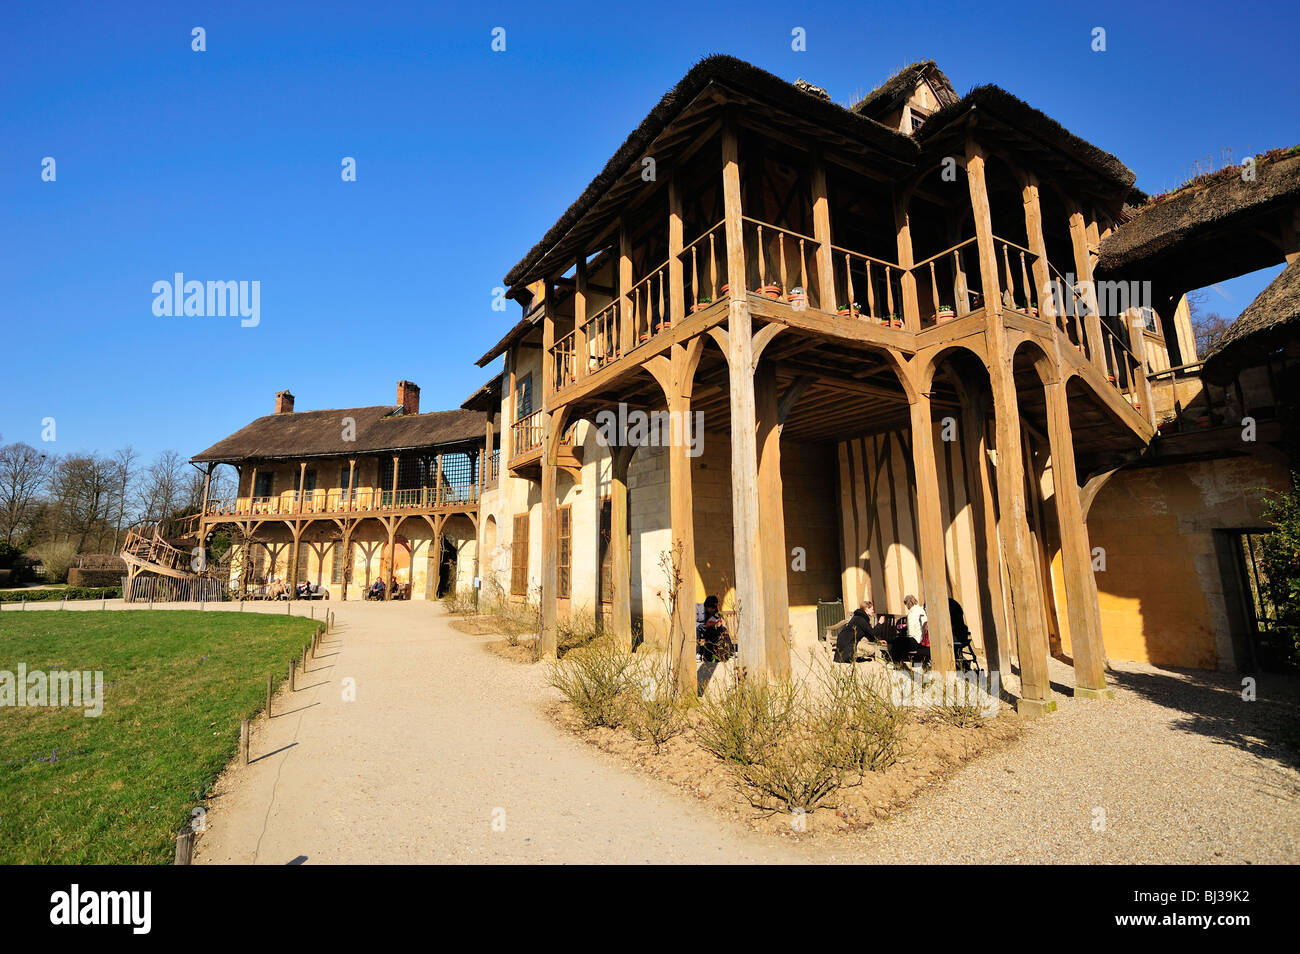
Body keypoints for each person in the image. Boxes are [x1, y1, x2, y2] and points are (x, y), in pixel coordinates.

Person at [697, 595, 734, 663]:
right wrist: (704, 625)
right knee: (699, 633)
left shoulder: (716, 610)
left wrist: (718, 624)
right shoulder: (698, 609)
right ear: (707, 607)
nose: (712, 610)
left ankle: (731, 652)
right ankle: (699, 653)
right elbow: (692, 622)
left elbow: (717, 619)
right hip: (701, 629)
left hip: (711, 628)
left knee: (724, 629)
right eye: (711, 608)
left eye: (714, 608)